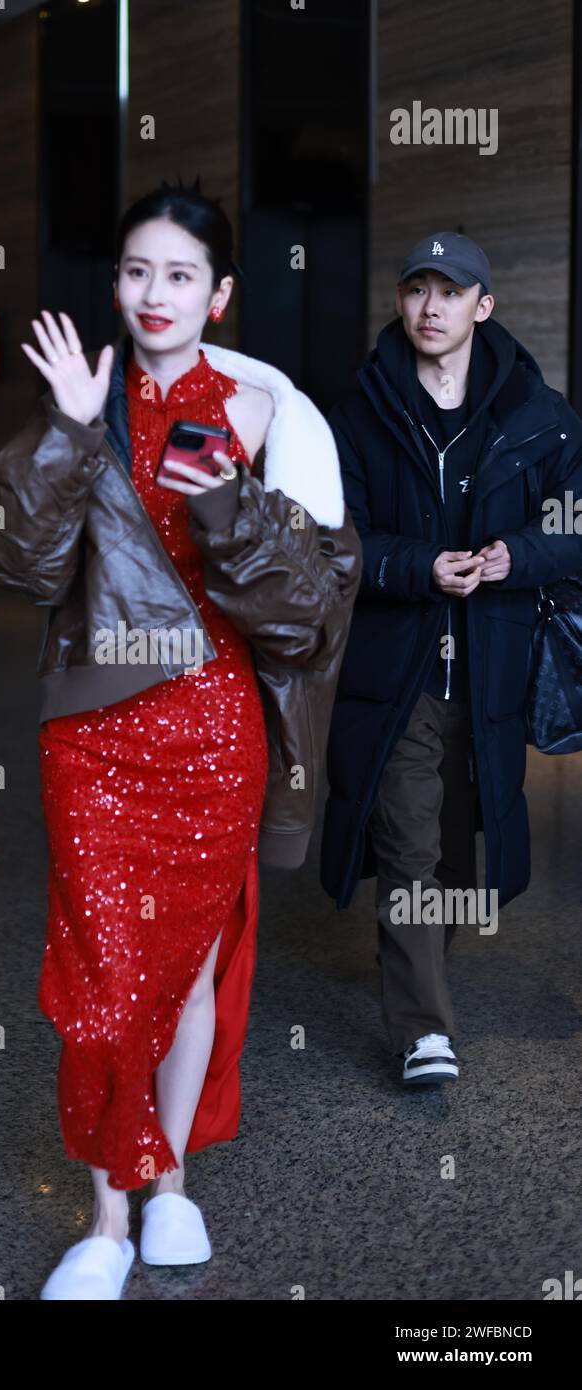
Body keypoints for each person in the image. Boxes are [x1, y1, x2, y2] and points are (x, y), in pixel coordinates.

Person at [0, 176, 361, 1299]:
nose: (155, 292)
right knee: (101, 974)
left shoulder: (270, 413)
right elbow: (8, 560)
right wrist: (72, 433)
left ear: (219, 293)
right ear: (115, 285)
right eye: (136, 271)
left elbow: (305, 616)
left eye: (180, 274)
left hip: (214, 728)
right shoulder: (80, 398)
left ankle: (167, 1183)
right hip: (90, 729)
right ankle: (104, 1217)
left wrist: (228, 504)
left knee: (183, 971)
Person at [320, 231, 582, 1086]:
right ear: (400, 302)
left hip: (491, 668)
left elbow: (572, 528)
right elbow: (341, 539)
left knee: (461, 851)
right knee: (407, 842)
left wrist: (516, 555)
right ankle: (423, 1027)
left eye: (450, 290)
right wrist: (414, 565)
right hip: (395, 671)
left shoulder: (539, 416)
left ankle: (422, 955)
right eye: (416, 289)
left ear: (484, 305)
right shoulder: (358, 412)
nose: (431, 307)